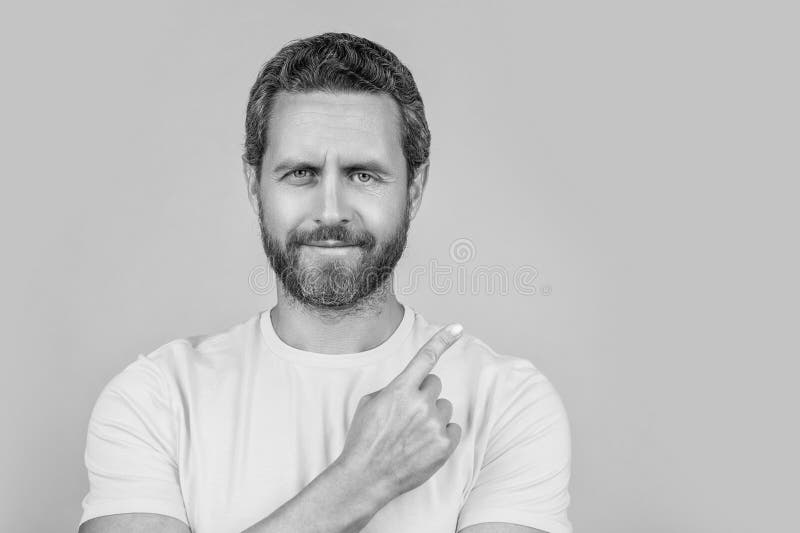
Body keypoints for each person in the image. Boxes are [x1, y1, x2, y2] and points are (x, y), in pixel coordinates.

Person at [78, 32, 572, 533]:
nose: (331, 211)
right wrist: (362, 480)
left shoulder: (507, 403)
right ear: (254, 186)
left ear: (415, 188)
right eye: (301, 173)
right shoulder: (156, 400)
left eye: (363, 175)